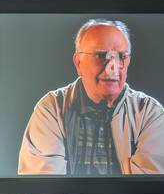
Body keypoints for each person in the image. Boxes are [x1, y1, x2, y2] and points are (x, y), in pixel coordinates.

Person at [18, 18, 164, 175]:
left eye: (121, 56)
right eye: (102, 56)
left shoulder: (150, 113)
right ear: (78, 63)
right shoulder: (51, 109)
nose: (112, 68)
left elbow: (147, 190)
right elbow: (45, 187)